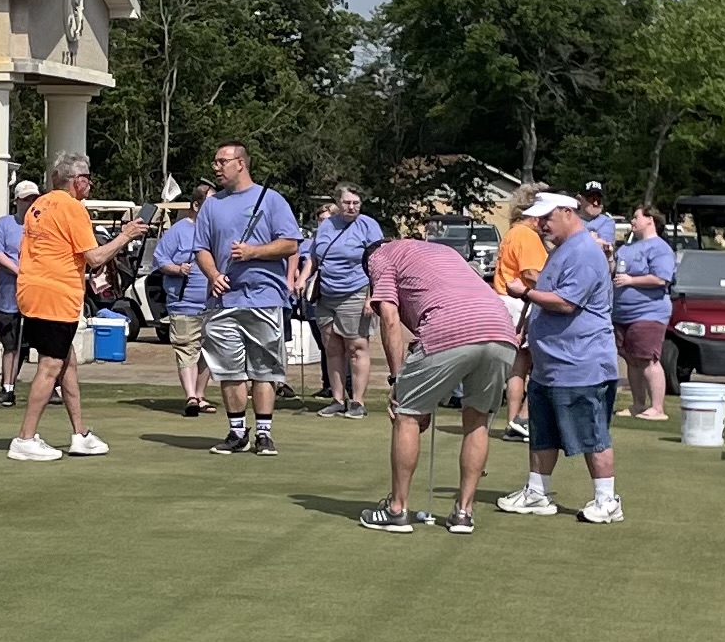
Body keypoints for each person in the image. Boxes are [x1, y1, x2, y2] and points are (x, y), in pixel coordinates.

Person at [359, 238, 519, 535]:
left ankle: (397, 510)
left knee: (407, 414)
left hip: (451, 326)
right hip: (500, 328)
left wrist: (398, 380)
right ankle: (464, 514)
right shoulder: (443, 250)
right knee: (477, 418)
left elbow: (390, 317)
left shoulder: (378, 256)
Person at [8, 153, 148, 461]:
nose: (91, 185)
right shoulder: (71, 208)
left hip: (35, 291)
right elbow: (95, 257)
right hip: (55, 296)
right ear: (78, 181)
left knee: (65, 362)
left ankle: (80, 433)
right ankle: (25, 438)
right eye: (88, 179)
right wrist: (125, 236)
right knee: (51, 366)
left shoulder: (39, 205)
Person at [497, 192, 622, 524]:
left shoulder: (583, 252)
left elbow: (566, 303)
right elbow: (545, 296)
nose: (541, 225)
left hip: (581, 363)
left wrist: (523, 292)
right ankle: (537, 492)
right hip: (550, 363)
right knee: (543, 431)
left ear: (568, 213)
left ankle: (607, 499)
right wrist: (525, 327)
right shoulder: (562, 250)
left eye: (547, 218)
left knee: (592, 433)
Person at [196, 141, 304, 458]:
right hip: (223, 301)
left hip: (264, 297)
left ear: (240, 163)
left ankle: (264, 434)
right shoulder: (212, 206)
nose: (216, 167)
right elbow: (200, 248)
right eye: (215, 161)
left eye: (222, 161)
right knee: (229, 370)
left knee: (264, 369)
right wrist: (214, 275)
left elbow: (290, 244)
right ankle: (237, 432)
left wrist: (254, 252)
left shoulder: (271, 201)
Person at [298, 185, 384, 418]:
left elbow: (378, 264)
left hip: (355, 292)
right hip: (326, 294)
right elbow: (314, 258)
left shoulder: (368, 226)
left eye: (356, 203)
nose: (351, 207)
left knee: (357, 347)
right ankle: (337, 399)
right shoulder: (326, 226)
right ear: (338, 203)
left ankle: (357, 402)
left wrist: (371, 298)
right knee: (332, 348)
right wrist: (303, 279)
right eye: (347, 202)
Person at [610, 202, 677, 421]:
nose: (632, 221)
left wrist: (631, 280)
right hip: (622, 314)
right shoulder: (627, 247)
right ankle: (638, 404)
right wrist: (609, 256)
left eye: (635, 217)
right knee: (632, 359)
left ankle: (657, 408)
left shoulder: (660, 248)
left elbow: (661, 278)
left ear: (650, 220)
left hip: (648, 313)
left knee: (648, 359)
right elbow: (614, 271)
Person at [491, 197, 546, 442]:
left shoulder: (513, 232)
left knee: (518, 366)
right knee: (539, 363)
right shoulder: (527, 235)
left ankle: (514, 422)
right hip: (520, 301)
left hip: (506, 301)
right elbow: (531, 274)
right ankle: (521, 421)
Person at [157, 183, 215, 414]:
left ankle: (200, 395)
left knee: (209, 350)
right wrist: (177, 269)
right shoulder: (179, 230)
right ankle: (190, 396)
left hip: (212, 303)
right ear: (196, 205)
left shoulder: (215, 231)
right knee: (186, 349)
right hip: (184, 303)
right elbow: (161, 259)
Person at [0, 180, 41, 406]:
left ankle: (53, 387)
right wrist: (19, 271)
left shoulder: (42, 225)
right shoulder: (4, 224)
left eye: (34, 199)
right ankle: (7, 387)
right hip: (9, 296)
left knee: (36, 344)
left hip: (36, 296)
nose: (30, 203)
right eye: (26, 199)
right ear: (16, 201)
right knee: (10, 344)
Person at [580, 182, 618, 256]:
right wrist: (590, 238)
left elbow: (604, 247)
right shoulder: (571, 218)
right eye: (592, 199)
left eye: (599, 200)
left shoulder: (607, 222)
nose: (596, 203)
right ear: (581, 199)